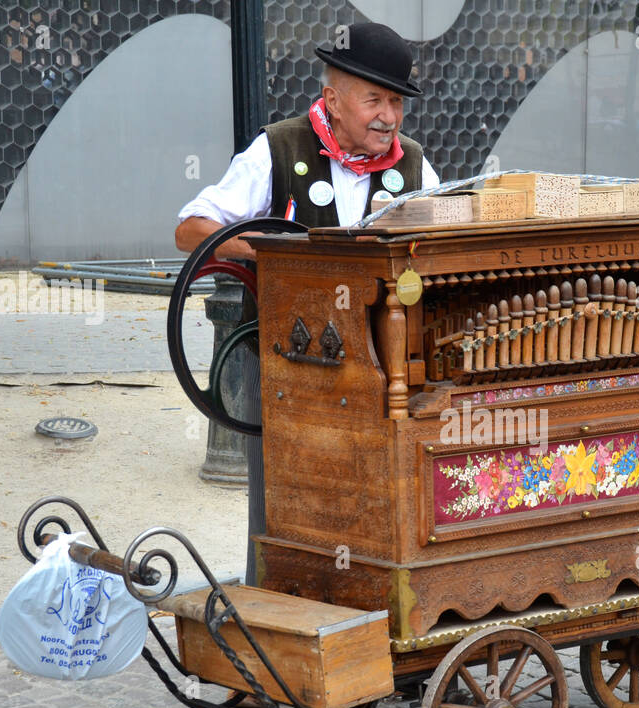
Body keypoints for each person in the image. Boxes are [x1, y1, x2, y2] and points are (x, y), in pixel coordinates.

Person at [174, 22, 441, 585]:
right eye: (374, 99)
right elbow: (191, 227)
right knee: (286, 498)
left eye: (396, 101)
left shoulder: (414, 166)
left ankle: (364, 616)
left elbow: (440, 246)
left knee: (373, 495)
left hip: (378, 366)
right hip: (287, 359)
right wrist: (274, 256)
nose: (388, 116)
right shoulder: (277, 148)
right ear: (333, 99)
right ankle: (275, 608)